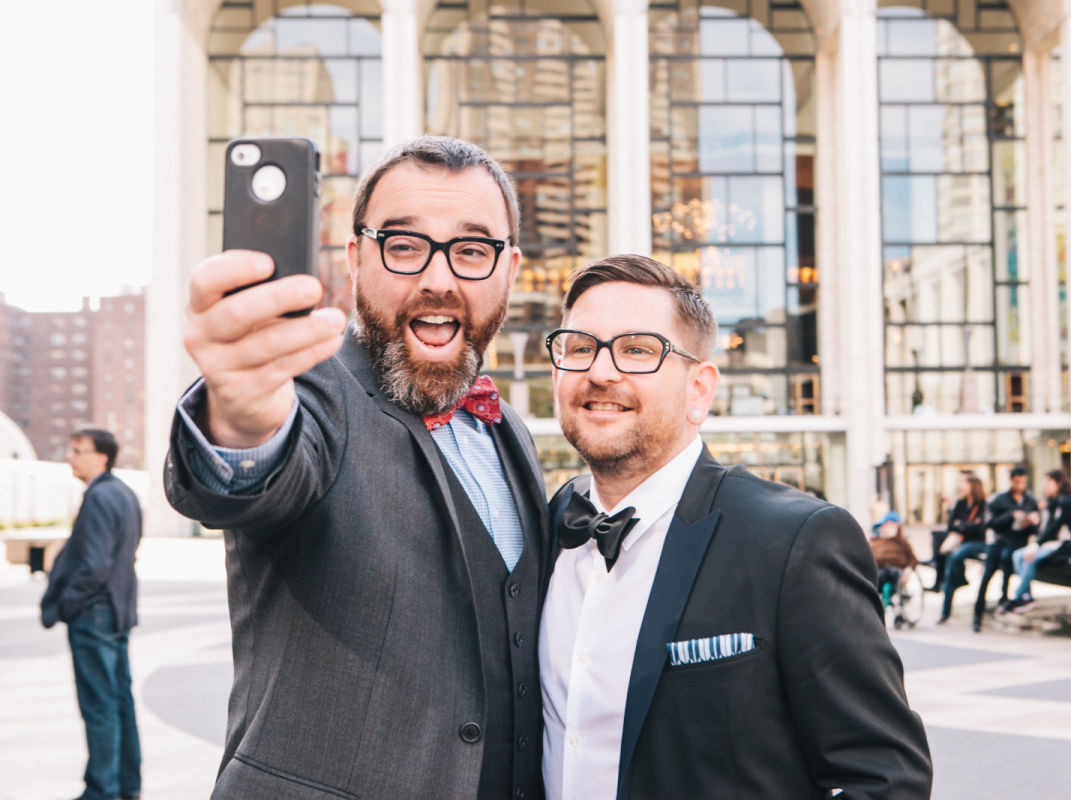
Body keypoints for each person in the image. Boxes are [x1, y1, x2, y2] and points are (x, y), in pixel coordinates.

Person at [164, 136, 548, 799]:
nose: (438, 279)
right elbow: (261, 469)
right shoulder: (313, 390)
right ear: (355, 258)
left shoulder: (509, 429)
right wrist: (244, 422)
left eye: (472, 250)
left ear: (509, 269)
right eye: (404, 245)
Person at [539, 255, 931, 800]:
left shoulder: (795, 541)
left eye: (638, 350)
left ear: (699, 389)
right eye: (580, 347)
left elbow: (887, 778)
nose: (601, 372)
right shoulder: (546, 525)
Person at [40, 428, 142, 800]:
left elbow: (95, 566)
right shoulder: (125, 493)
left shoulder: (99, 496)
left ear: (101, 456)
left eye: (78, 450)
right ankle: (126, 786)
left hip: (95, 613)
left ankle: (102, 791)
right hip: (117, 610)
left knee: (99, 704)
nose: (70, 457)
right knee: (119, 702)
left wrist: (68, 603)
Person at [1003, 469, 1071, 614]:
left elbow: (1054, 528)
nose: (1044, 486)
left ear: (1057, 483)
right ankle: (1026, 596)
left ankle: (1019, 596)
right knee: (1017, 555)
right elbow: (1049, 527)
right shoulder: (1055, 502)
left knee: (1030, 557)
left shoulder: (1068, 502)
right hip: (1060, 543)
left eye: (1047, 483)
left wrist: (1036, 545)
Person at [972, 465, 1039, 632]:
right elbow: (991, 523)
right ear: (1011, 481)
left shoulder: (1030, 500)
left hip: (1017, 543)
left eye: (1023, 482)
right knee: (987, 575)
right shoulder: (1000, 500)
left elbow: (1036, 530)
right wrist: (1011, 516)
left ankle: (1005, 601)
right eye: (1017, 482)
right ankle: (978, 614)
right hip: (1000, 541)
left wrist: (1033, 521)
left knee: (1008, 561)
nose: (1020, 486)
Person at [937, 473, 988, 625]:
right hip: (961, 543)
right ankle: (945, 611)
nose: (961, 487)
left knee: (955, 557)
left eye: (964, 484)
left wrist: (962, 525)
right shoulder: (960, 503)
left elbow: (980, 529)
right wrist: (967, 525)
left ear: (973, 486)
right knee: (949, 572)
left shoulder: (982, 505)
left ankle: (958, 580)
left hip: (977, 543)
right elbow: (951, 525)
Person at [869, 510, 919, 612]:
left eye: (886, 526)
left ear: (895, 526)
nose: (883, 528)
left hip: (893, 571)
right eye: (883, 526)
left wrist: (908, 570)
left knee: (887, 572)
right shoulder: (874, 541)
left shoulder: (902, 542)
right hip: (875, 569)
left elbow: (913, 559)